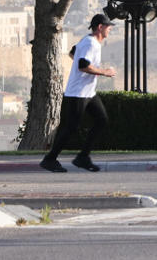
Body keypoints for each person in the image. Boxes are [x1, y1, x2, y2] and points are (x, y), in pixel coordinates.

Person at [40, 14, 116, 173]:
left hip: (88, 92)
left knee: (102, 120)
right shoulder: (91, 43)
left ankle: (83, 157)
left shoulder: (87, 41)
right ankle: (50, 159)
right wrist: (104, 72)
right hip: (77, 93)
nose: (110, 29)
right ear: (100, 27)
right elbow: (82, 65)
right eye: (108, 26)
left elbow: (73, 52)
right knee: (70, 128)